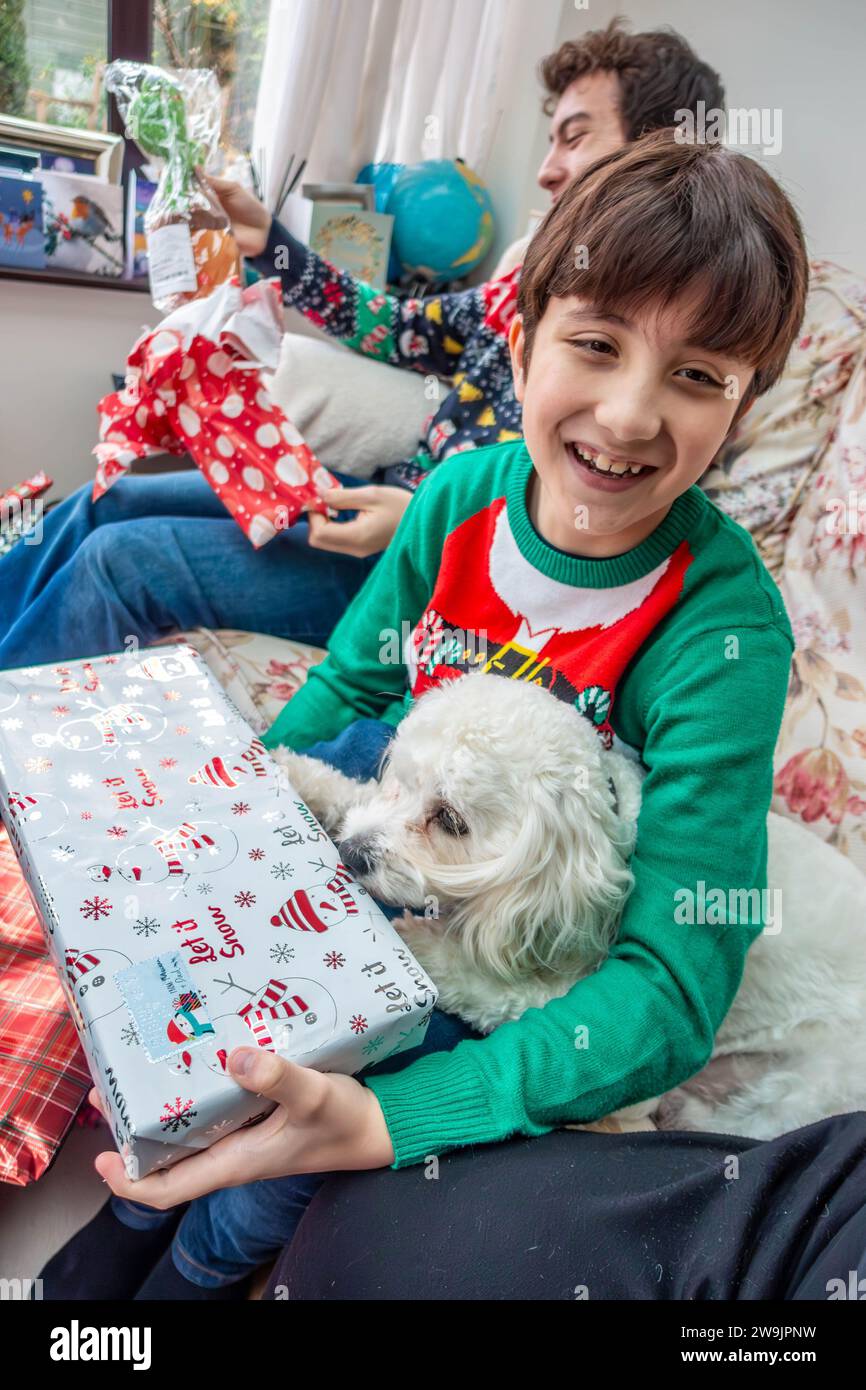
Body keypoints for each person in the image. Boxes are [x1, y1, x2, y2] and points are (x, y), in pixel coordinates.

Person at [42, 127, 810, 1299]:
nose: (626, 415)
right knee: (204, 982)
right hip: (400, 812)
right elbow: (353, 685)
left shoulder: (722, 634)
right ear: (519, 338)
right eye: (594, 347)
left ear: (741, 402)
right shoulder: (456, 495)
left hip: (519, 949)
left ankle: (189, 1274)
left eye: (696, 376)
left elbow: (670, 987)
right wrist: (230, 829)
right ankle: (127, 1209)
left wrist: (387, 1118)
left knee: (294, 1154)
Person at [0, 20, 725, 669]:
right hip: (377, 502)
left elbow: (594, 519)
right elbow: (404, 329)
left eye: (575, 135)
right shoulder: (535, 278)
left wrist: (420, 523)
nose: (545, 169)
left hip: (420, 568)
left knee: (120, 562)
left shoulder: (702, 339)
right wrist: (270, 245)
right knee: (106, 500)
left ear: (654, 151)